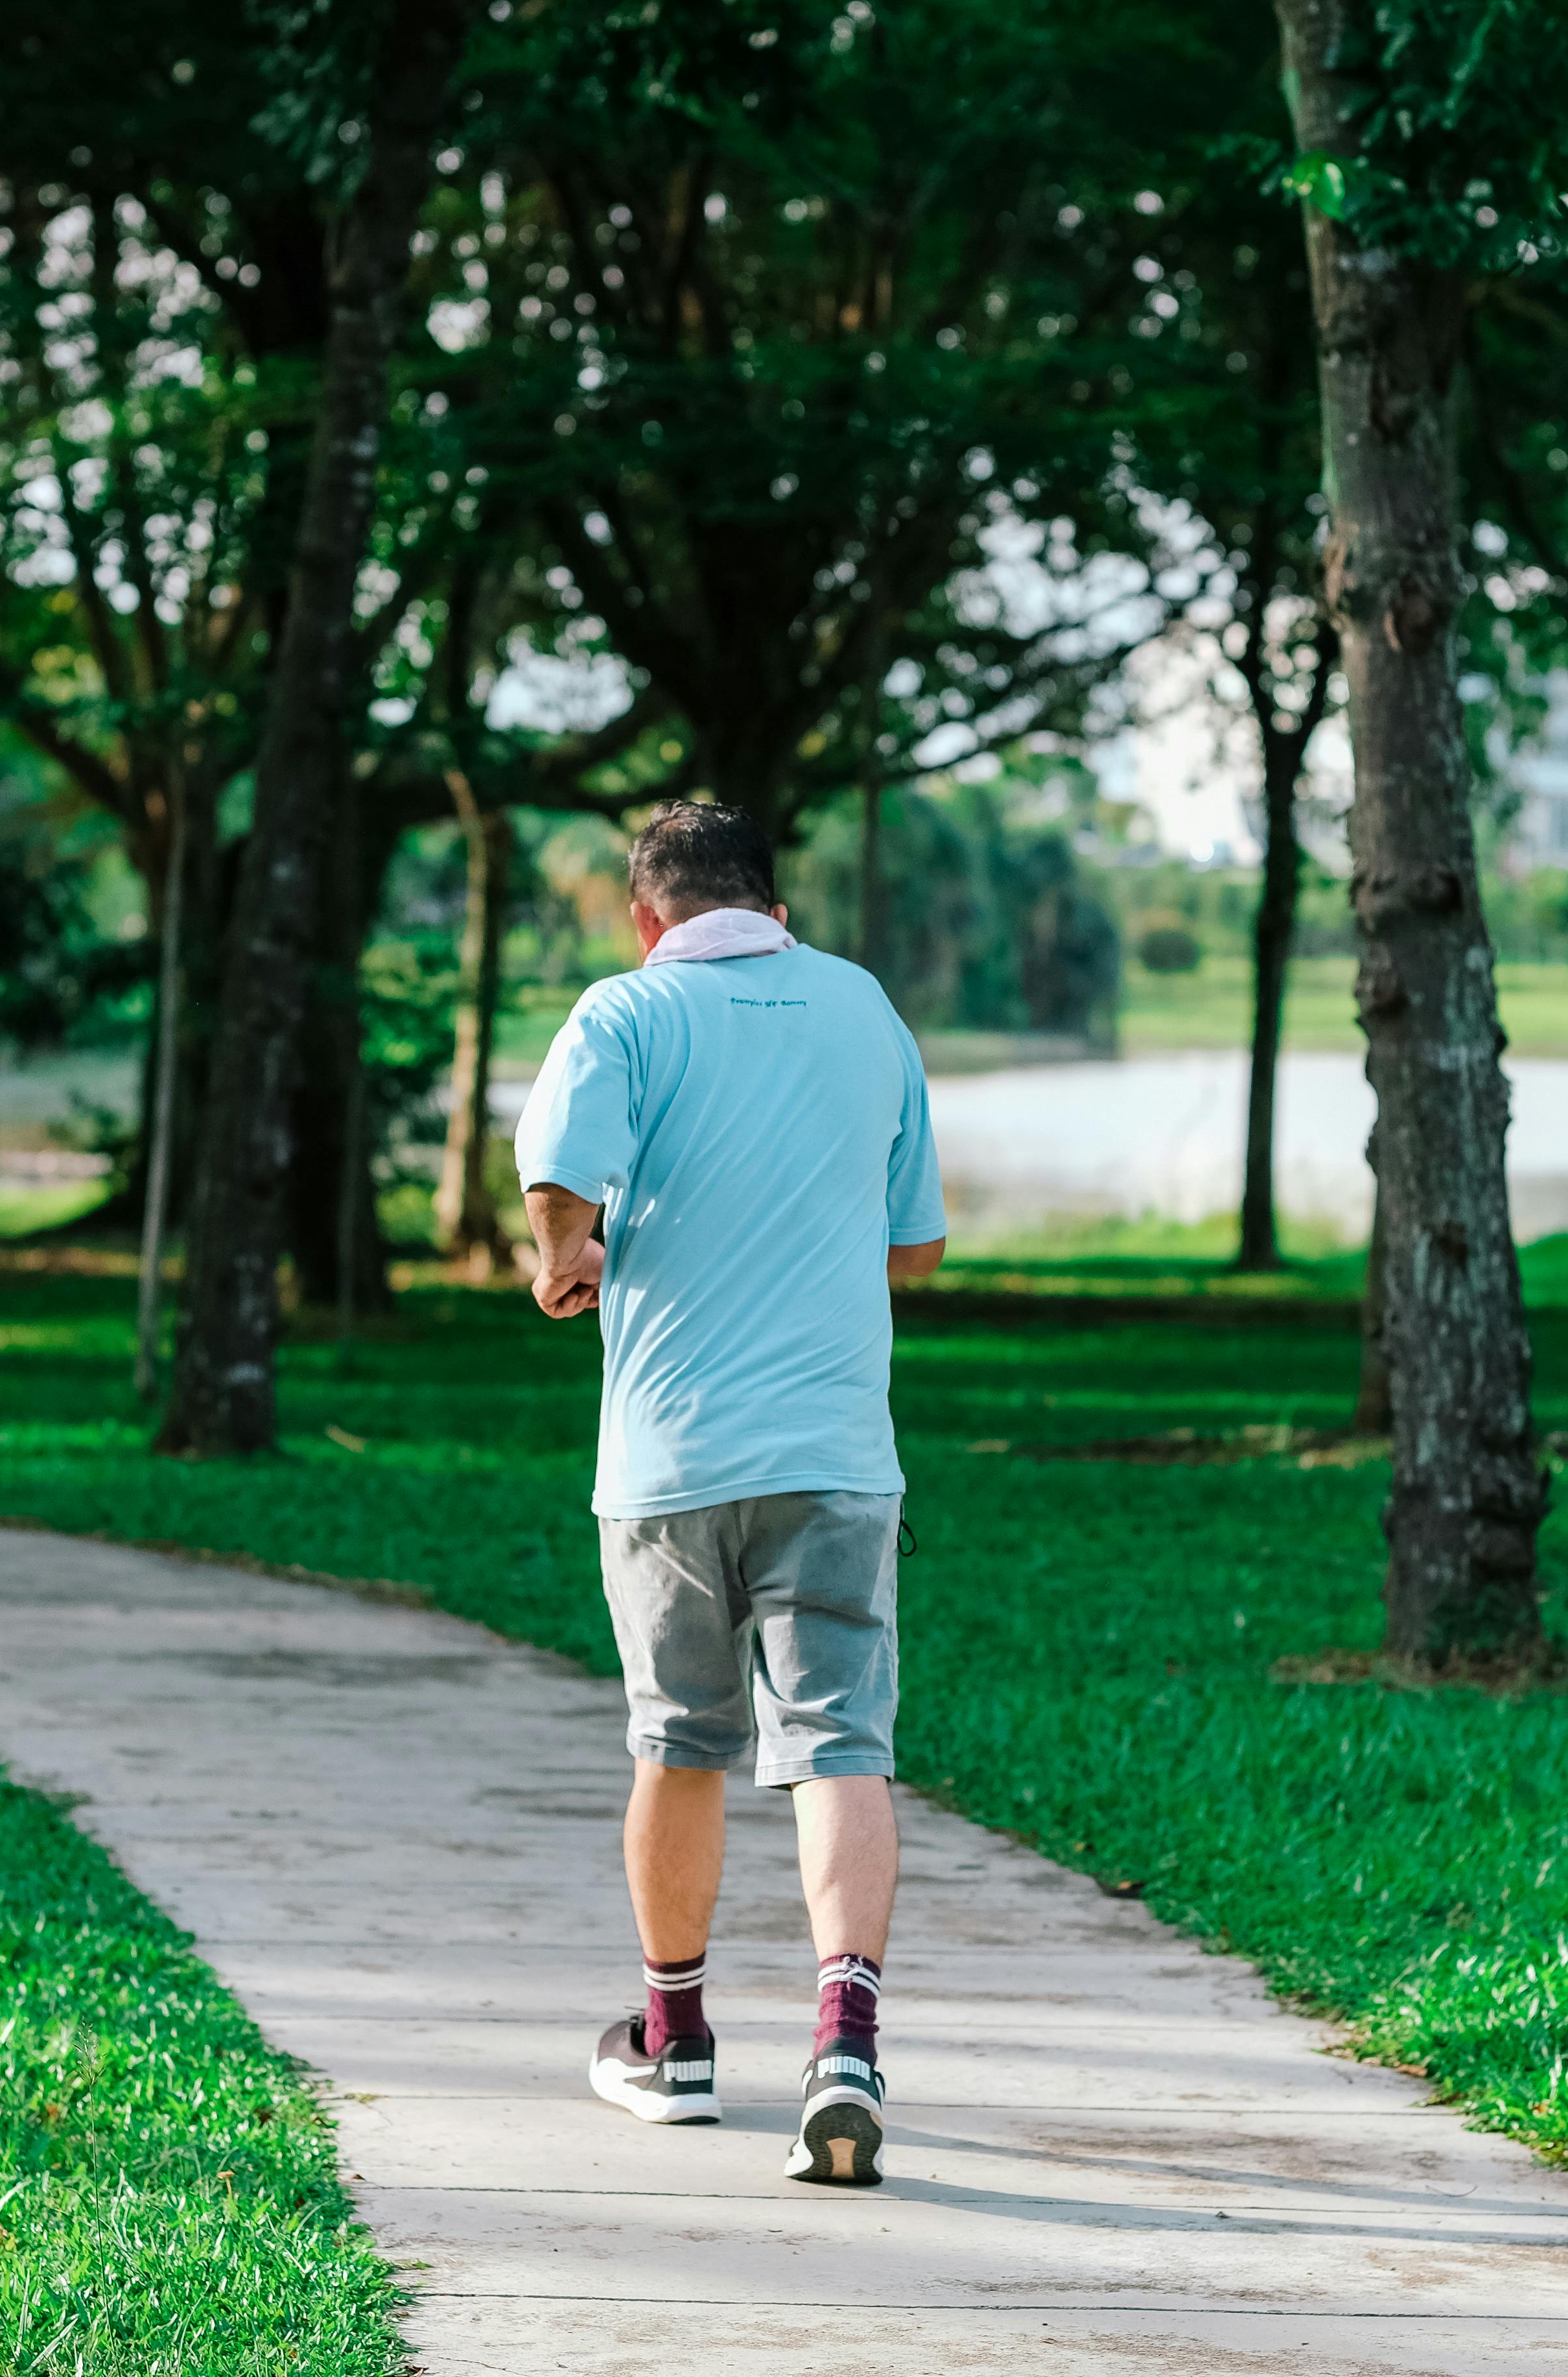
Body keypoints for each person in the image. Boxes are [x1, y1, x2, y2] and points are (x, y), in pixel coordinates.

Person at [515, 801, 946, 2190]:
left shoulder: (624, 1012)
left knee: (678, 1743)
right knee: (840, 1743)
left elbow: (555, 1171)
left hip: (671, 1456)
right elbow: (917, 1251)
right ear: (776, 908)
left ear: (646, 919)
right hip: (835, 1453)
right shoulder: (864, 1007)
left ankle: (676, 2039)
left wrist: (566, 1258)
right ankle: (846, 2044)